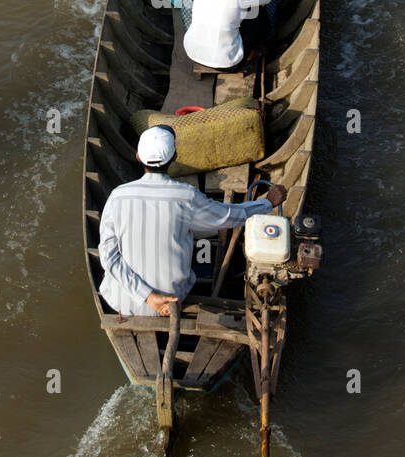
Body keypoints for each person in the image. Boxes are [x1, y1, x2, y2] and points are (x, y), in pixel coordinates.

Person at [98, 125, 286, 317]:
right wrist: (266, 203)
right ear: (175, 157)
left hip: (121, 303)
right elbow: (228, 216)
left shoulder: (117, 196)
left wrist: (148, 296)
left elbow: (107, 256)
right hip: (171, 301)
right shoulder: (185, 196)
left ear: (138, 157)